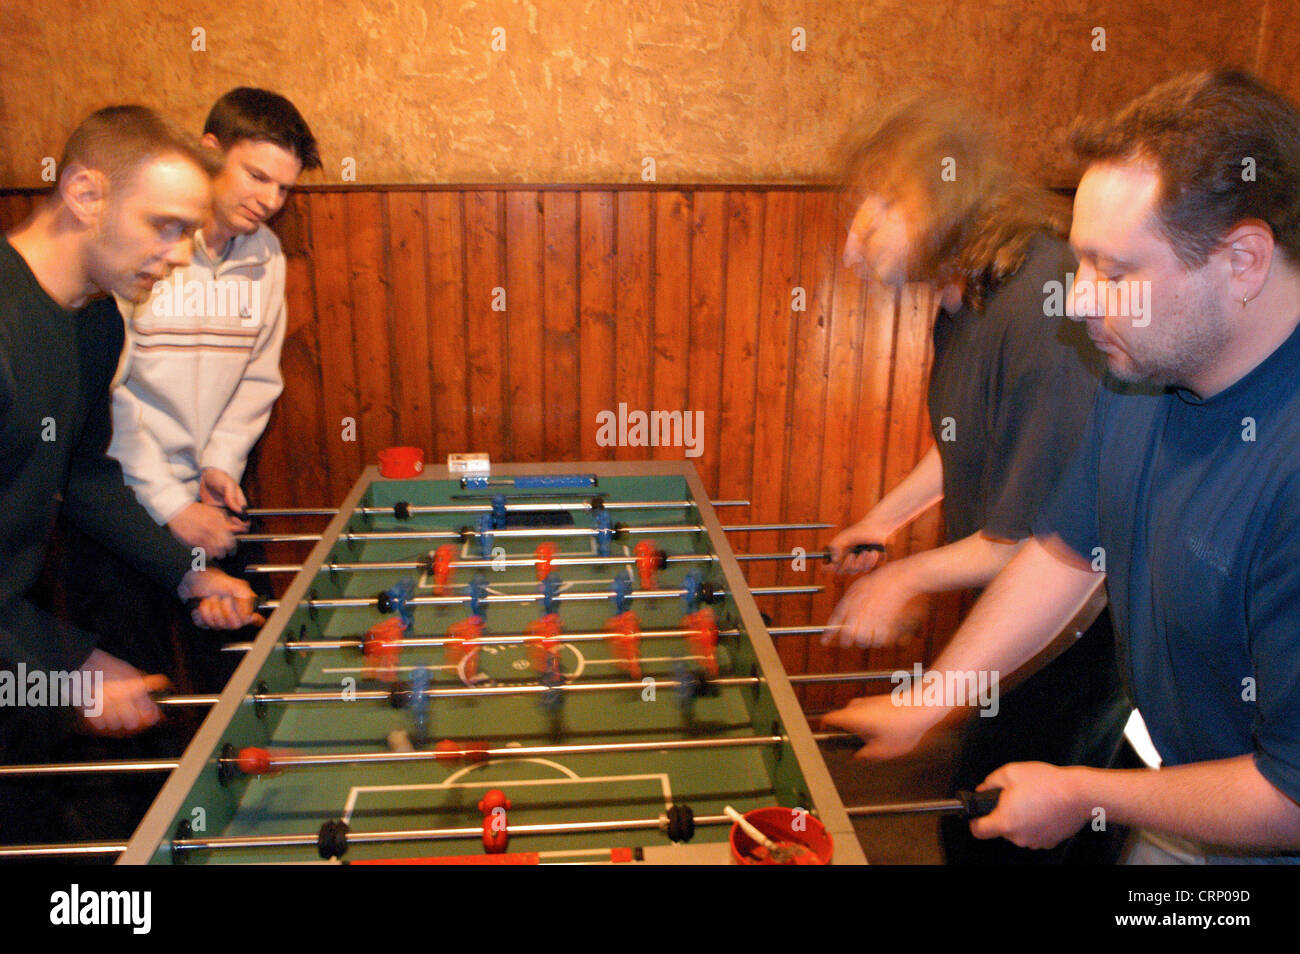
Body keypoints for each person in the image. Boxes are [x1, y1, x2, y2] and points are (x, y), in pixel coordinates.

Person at [825, 70, 1300, 864]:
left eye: (1114, 273)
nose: (1076, 302)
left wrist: (1087, 793)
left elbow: (1290, 793)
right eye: (1081, 263)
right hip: (1187, 793)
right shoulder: (1138, 371)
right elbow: (1065, 550)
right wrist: (928, 704)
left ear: (1243, 259)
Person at [821, 96, 1131, 863]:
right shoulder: (963, 302)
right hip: (1018, 624)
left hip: (1081, 650)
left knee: (1003, 840)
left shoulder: (1046, 301)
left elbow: (1042, 540)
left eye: (883, 205)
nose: (859, 236)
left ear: (944, 195)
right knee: (973, 819)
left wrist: (906, 580)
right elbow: (968, 443)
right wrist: (883, 523)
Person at [0, 105, 263, 841]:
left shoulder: (95, 322)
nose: (181, 254)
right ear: (85, 194)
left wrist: (187, 571)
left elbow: (85, 476)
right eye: (166, 225)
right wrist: (62, 665)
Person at [71, 88, 318, 693]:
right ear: (210, 153)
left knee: (246, 681)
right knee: (135, 691)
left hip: (215, 503)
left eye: (284, 188)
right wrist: (172, 506)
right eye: (257, 176)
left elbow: (259, 377)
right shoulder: (140, 249)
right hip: (121, 504)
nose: (269, 200)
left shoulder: (267, 255)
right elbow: (110, 391)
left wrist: (220, 462)